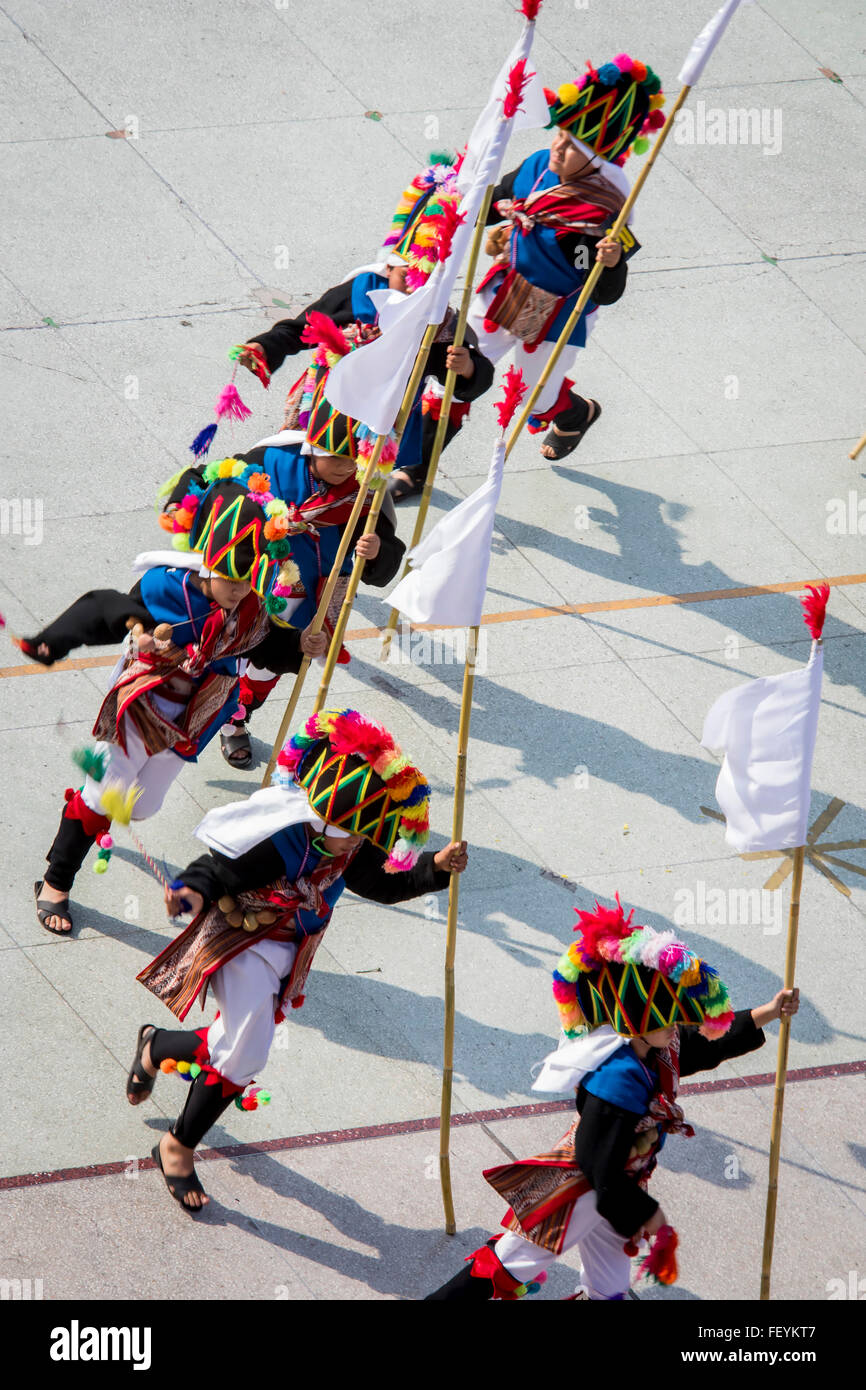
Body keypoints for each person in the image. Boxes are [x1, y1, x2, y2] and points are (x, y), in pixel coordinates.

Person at [127, 706, 469, 1211]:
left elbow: (380, 882)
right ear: (322, 815)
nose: (357, 843)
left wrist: (435, 867)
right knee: (246, 1053)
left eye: (362, 835)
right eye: (350, 831)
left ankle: (156, 1046)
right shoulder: (286, 838)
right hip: (241, 943)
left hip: (287, 953)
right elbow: (220, 867)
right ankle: (176, 1145)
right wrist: (191, 891)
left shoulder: (350, 844)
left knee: (233, 1042)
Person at [425, 895, 799, 1300]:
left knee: (608, 1290)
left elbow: (705, 1045)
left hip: (613, 1193)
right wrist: (652, 1218)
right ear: (640, 1020)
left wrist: (769, 1011)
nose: (679, 1025)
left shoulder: (659, 1047)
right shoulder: (617, 1077)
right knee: (503, 1267)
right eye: (670, 1015)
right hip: (576, 1191)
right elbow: (597, 1165)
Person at [25, 481, 311, 934]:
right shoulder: (163, 586)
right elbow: (111, 609)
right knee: (102, 800)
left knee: (140, 808)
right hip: (141, 703)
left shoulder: (249, 606)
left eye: (244, 583)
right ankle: (55, 882)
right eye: (229, 581)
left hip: (191, 717)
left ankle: (100, 798)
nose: (237, 591)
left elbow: (267, 643)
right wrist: (78, 639)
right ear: (208, 566)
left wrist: (301, 644)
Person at [161, 317, 410, 768]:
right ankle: (189, 711)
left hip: (311, 591)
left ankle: (237, 719)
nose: (346, 470)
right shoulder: (270, 459)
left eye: (354, 460)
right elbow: (215, 483)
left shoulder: (365, 490)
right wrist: (187, 505)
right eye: (336, 459)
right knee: (223, 652)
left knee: (270, 665)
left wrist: (375, 554)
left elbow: (389, 548)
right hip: (252, 580)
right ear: (312, 447)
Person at [232, 156, 494, 502]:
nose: (412, 290)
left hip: (380, 418)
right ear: (390, 267)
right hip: (327, 394)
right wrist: (268, 347)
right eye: (405, 278)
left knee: (357, 481)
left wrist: (467, 368)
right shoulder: (362, 291)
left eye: (424, 283)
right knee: (309, 452)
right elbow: (310, 324)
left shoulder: (436, 323)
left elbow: (470, 376)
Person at [469, 55, 666, 461]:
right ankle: (416, 464)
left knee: (532, 397)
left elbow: (607, 292)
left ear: (598, 158)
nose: (557, 147)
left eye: (573, 145)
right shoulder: (539, 165)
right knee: (457, 364)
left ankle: (575, 413)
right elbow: (497, 201)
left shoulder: (606, 209)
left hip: (558, 311)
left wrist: (611, 264)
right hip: (505, 285)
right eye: (559, 135)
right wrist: (458, 206)